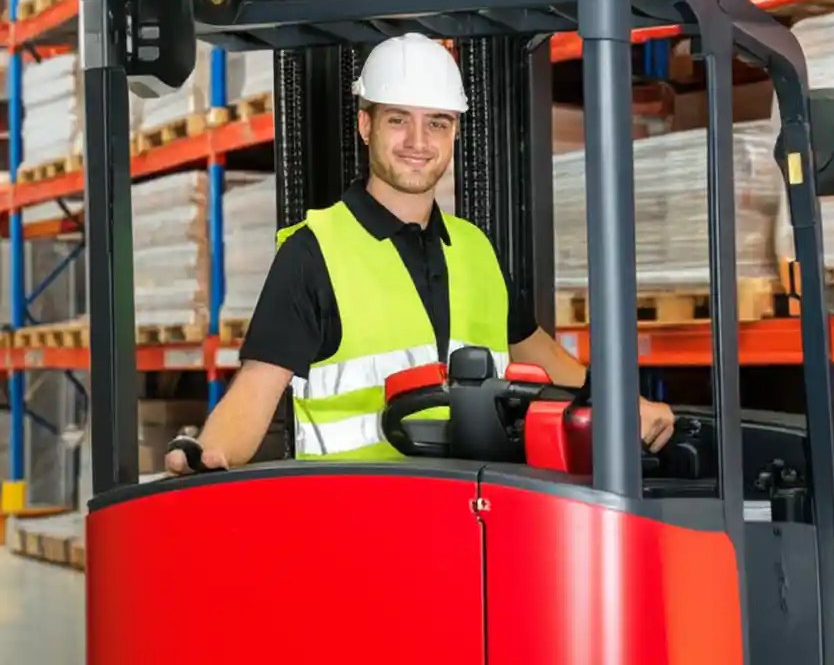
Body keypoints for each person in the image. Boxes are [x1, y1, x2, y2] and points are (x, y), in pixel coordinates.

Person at [166, 33, 676, 474]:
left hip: (475, 518)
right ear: (365, 125)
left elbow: (537, 352)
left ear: (454, 132)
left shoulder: (475, 249)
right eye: (398, 120)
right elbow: (256, 388)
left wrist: (621, 407)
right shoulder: (315, 251)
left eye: (436, 122)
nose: (418, 141)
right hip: (357, 526)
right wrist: (209, 451)